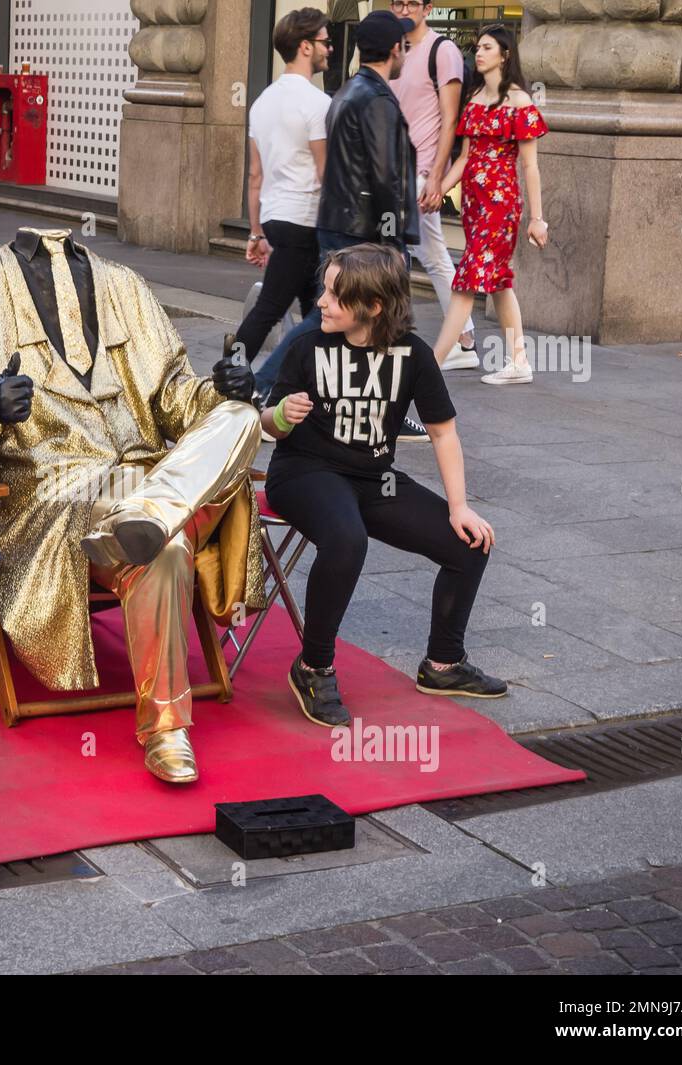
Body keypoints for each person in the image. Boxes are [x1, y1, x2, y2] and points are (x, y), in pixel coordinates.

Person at [0, 226, 264, 784]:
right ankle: (167, 728)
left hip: (142, 479)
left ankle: (148, 515)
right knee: (168, 552)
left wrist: (223, 391)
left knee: (241, 419)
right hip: (55, 490)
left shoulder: (123, 282)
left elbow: (176, 395)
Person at [262, 244, 506, 727]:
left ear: (373, 307)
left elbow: (442, 431)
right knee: (346, 538)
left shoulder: (412, 355)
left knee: (469, 545)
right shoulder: (308, 345)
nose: (322, 302)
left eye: (336, 294)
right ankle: (313, 667)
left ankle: (443, 664)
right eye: (325, 289)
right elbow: (267, 424)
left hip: (374, 478)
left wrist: (460, 507)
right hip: (304, 472)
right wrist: (282, 417)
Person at [255, 10, 429, 442]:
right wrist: (394, 239)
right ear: (395, 50)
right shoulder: (377, 100)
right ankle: (262, 386)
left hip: (341, 223)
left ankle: (379, 408)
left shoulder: (348, 93)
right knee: (351, 317)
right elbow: (386, 176)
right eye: (403, 46)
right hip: (365, 230)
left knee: (337, 314)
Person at [429, 25, 549, 385]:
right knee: (498, 282)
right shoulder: (475, 97)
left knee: (466, 280)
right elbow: (465, 159)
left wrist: (537, 218)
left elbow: (530, 166)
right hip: (473, 205)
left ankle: (432, 364)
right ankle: (519, 362)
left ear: (505, 54)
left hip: (501, 207)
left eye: (486, 47)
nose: (478, 53)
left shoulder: (521, 102)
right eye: (477, 47)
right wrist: (439, 191)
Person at [237, 8, 331, 388]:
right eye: (325, 42)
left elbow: (255, 175)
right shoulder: (317, 104)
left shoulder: (261, 103)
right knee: (271, 308)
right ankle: (231, 378)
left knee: (319, 312)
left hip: (276, 218)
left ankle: (314, 390)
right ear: (306, 46)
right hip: (304, 220)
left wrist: (257, 233)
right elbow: (326, 175)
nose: (331, 49)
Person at [389, 0, 478, 370]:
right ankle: (464, 338)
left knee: (430, 253)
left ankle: (464, 338)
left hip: (422, 169)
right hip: (393, 169)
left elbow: (451, 117)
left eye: (412, 2)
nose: (404, 8)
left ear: (427, 7)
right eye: (397, 2)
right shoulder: (393, 50)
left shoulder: (443, 50)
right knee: (424, 252)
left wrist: (437, 176)